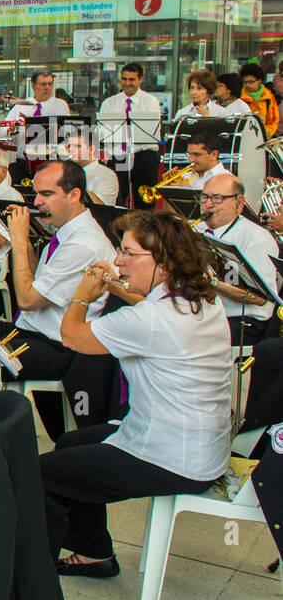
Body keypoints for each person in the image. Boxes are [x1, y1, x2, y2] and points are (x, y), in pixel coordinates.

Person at [42, 210, 230, 578]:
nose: (118, 260)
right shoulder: (200, 296)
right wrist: (117, 288)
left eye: (129, 254)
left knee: (42, 473)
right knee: (69, 444)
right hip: (200, 447)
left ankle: (34, 577)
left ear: (163, 263)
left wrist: (83, 295)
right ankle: (94, 554)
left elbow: (73, 337)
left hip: (168, 456)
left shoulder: (152, 321)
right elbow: (149, 311)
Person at [0, 160, 118, 439]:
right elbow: (39, 282)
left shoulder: (81, 244)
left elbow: (27, 299)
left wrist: (15, 240)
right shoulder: (67, 232)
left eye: (47, 195)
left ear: (74, 195)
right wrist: (26, 243)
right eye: (37, 194)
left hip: (55, 345)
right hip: (36, 330)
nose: (38, 202)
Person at [199, 173, 279, 345]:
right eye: (204, 197)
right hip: (212, 316)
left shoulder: (255, 238)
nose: (208, 205)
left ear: (239, 203)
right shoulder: (200, 230)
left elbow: (260, 298)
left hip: (244, 322)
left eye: (217, 198)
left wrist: (210, 281)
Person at [97, 63, 159, 209]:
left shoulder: (150, 102)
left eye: (131, 79)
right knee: (116, 200)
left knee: (144, 202)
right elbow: (103, 133)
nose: (127, 83)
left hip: (143, 155)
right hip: (118, 156)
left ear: (141, 79)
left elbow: (149, 134)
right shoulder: (109, 103)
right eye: (124, 79)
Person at [1, 71, 69, 137]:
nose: (47, 88)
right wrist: (8, 131)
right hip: (24, 148)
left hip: (49, 147)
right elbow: (1, 132)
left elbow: (66, 131)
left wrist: (31, 122)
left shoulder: (60, 105)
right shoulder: (21, 105)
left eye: (50, 84)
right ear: (33, 86)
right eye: (43, 84)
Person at [64, 132, 119, 206]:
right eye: (69, 146)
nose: (71, 150)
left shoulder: (106, 175)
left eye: (77, 146)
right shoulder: (65, 171)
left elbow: (99, 206)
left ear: (91, 150)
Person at [240, 63, 279, 137]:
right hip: (246, 138)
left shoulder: (269, 97)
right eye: (245, 82)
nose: (248, 85)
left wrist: (265, 134)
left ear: (259, 80)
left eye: (251, 81)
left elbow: (274, 120)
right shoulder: (240, 98)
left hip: (265, 138)